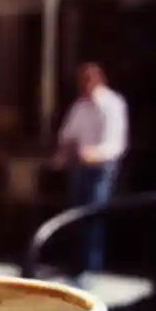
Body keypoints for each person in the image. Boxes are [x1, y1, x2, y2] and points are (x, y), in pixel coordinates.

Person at [54, 63, 128, 283]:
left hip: (102, 167)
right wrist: (63, 155)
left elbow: (116, 143)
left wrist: (93, 154)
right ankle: (76, 265)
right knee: (76, 215)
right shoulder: (80, 106)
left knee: (94, 216)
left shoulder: (112, 105)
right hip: (80, 166)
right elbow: (68, 135)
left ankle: (92, 268)